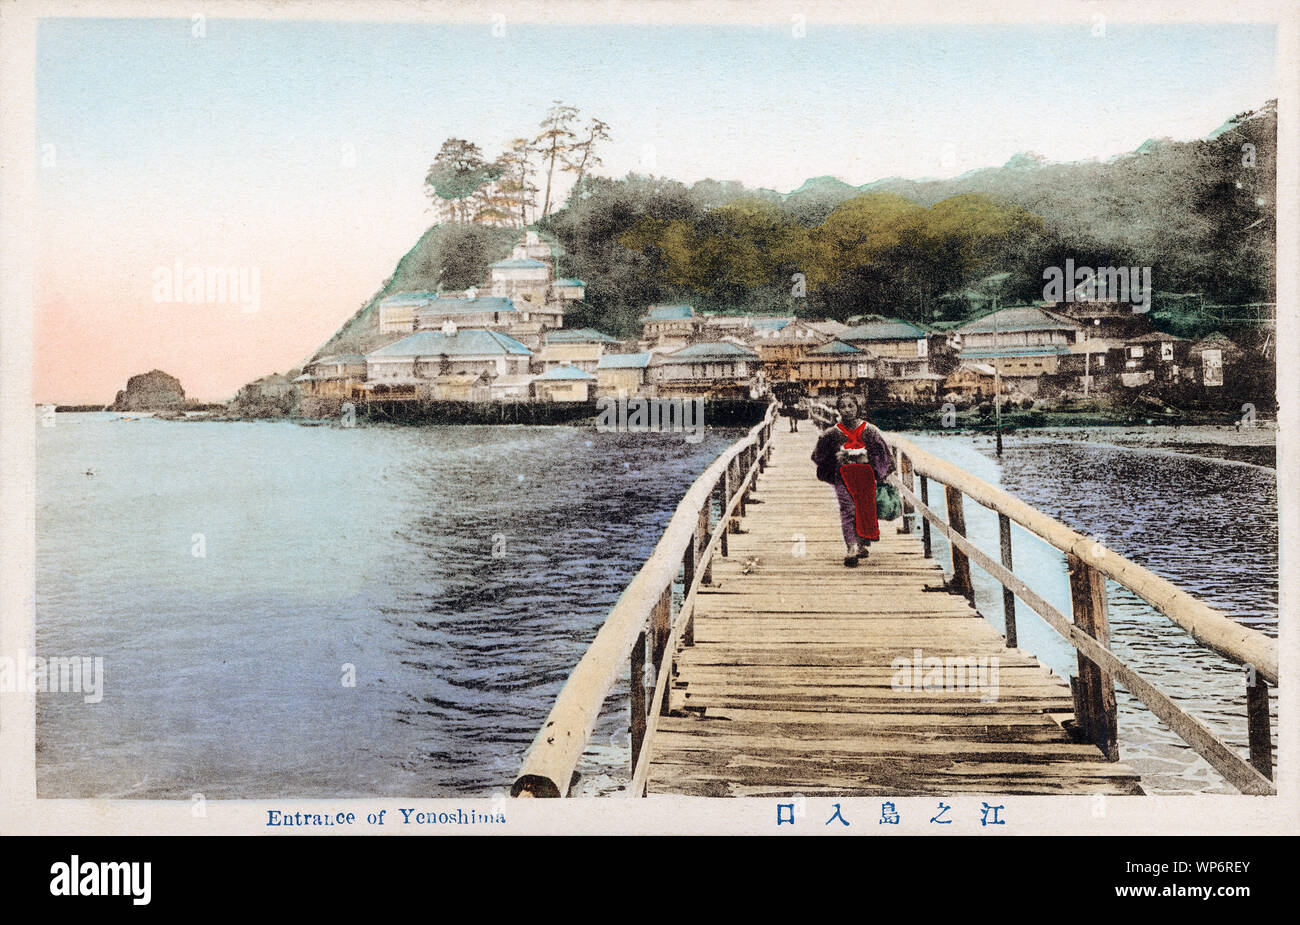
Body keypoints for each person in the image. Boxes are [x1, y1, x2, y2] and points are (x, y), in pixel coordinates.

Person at [811, 393, 893, 567]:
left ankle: (862, 543)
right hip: (843, 476)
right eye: (843, 407)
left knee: (864, 509)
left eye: (851, 406)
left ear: (857, 408)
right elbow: (818, 455)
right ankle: (851, 548)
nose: (847, 410)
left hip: (865, 476)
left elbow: (883, 452)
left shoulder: (869, 430)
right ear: (838, 410)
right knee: (848, 509)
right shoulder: (833, 433)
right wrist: (836, 459)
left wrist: (869, 459)